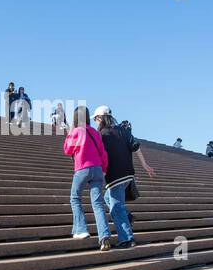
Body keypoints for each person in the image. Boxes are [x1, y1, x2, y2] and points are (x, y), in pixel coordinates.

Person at [94, 106, 155, 250]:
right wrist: (145, 165)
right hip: (128, 174)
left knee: (116, 207)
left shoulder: (101, 134)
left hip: (115, 176)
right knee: (108, 199)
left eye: (96, 119)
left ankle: (127, 239)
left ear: (99, 118)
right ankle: (127, 216)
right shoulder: (123, 130)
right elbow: (136, 147)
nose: (96, 122)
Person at [63, 105, 113, 250]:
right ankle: (104, 237)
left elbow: (67, 150)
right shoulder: (95, 132)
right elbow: (103, 153)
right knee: (97, 203)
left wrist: (70, 132)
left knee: (75, 198)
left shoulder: (77, 131)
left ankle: (81, 229)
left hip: (82, 168)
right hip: (97, 169)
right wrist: (103, 169)